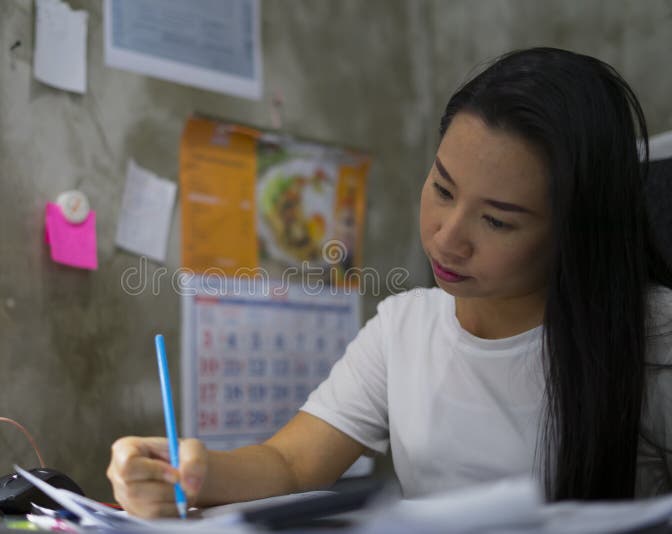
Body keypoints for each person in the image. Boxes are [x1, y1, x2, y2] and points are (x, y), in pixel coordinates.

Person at [107, 47, 672, 518]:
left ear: (576, 229)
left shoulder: (656, 337)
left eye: (497, 221)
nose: (448, 237)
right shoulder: (404, 327)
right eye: (443, 189)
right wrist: (189, 471)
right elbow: (292, 464)